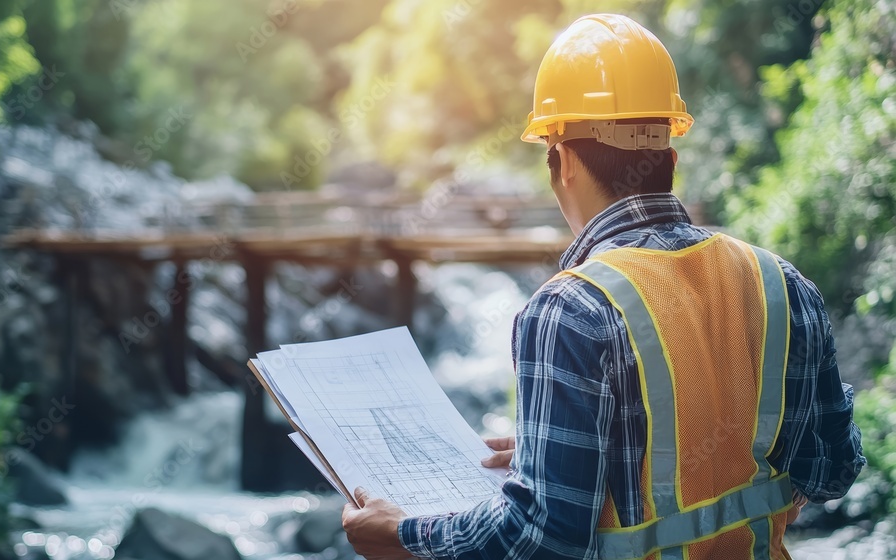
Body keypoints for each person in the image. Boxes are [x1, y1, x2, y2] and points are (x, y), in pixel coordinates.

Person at [341, 13, 865, 559]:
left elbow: (540, 538)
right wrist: (594, 453)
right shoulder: (783, 286)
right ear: (670, 157)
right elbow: (831, 469)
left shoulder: (569, 310)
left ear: (562, 162)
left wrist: (404, 533)